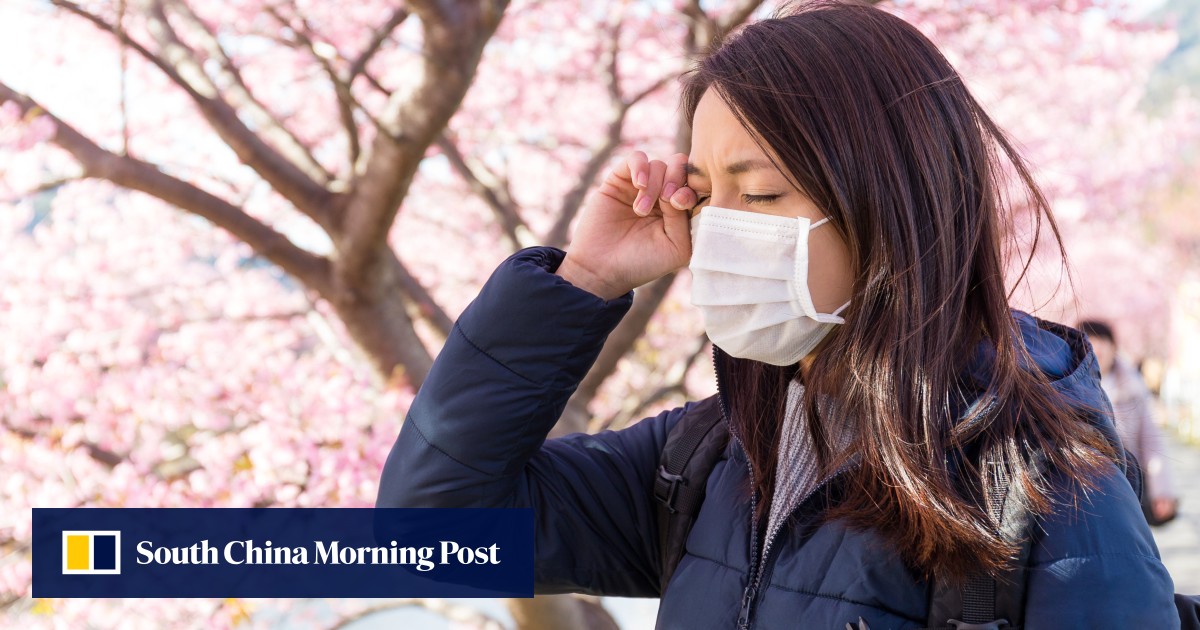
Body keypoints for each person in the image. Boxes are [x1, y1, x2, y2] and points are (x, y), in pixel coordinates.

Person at [377, 1, 1177, 627]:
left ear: (892, 207)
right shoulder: (708, 459)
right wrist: (581, 278)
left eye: (759, 193)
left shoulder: (1045, 489)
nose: (717, 227)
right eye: (704, 194)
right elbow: (431, 536)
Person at [1079, 319, 1180, 526]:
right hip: (1083, 491)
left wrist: (1161, 490)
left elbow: (1151, 442)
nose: (1096, 347)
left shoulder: (1133, 388)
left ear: (1114, 346)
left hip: (1127, 486)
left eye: (1102, 340)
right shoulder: (1067, 388)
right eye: (1089, 340)